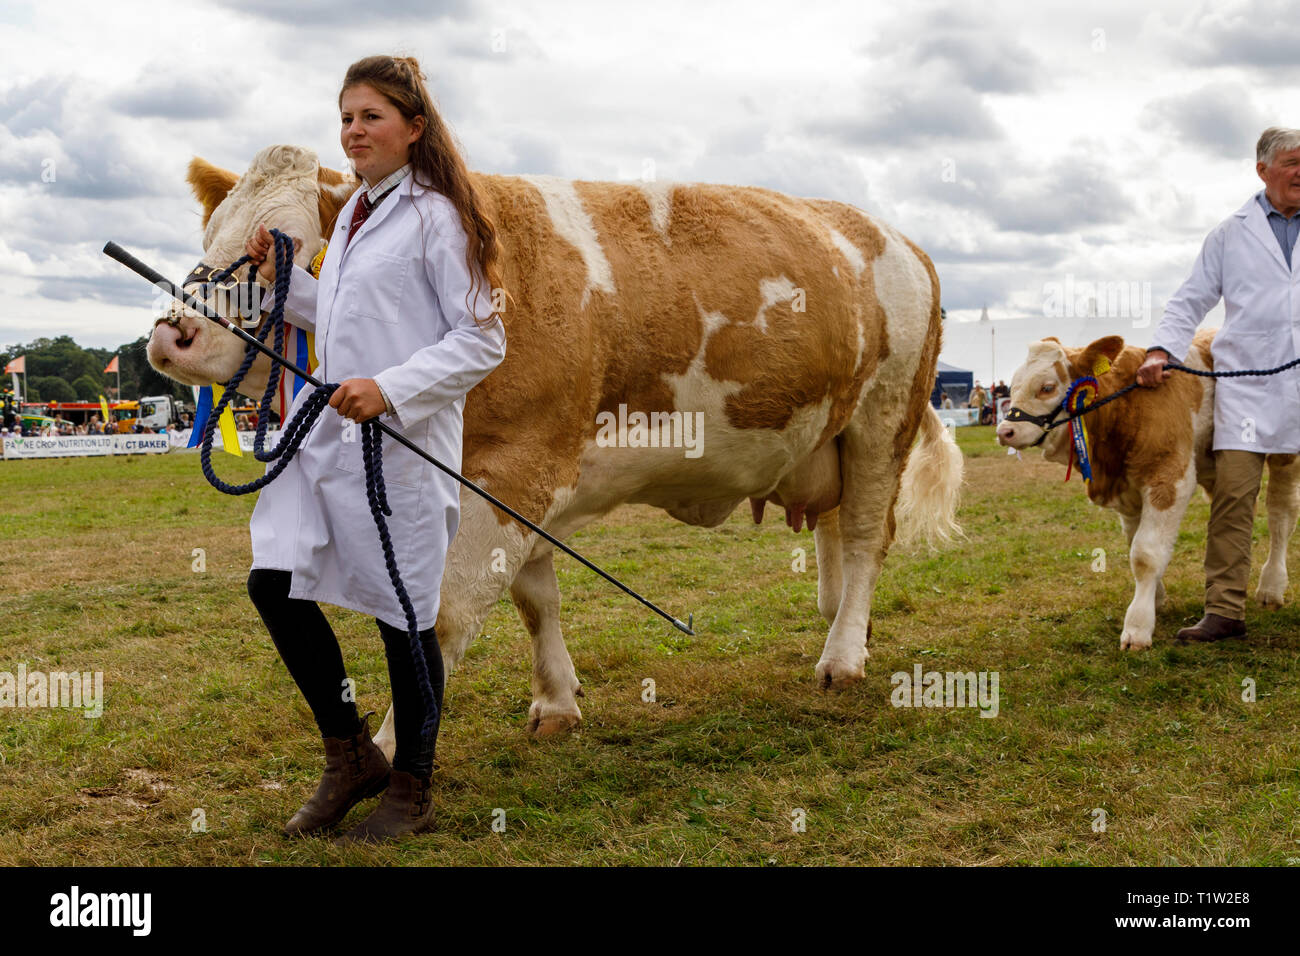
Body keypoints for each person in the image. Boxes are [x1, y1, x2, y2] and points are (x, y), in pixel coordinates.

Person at [241, 54, 508, 843]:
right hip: (327, 439)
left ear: (414, 127)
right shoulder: (357, 211)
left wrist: (390, 387)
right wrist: (282, 282)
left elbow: (484, 338)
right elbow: (350, 316)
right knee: (273, 581)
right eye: (347, 116)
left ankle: (412, 790)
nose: (354, 130)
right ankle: (352, 753)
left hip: (401, 448)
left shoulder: (439, 215)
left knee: (403, 616)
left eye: (372, 116)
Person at [1138, 126, 1300, 643]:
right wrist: (1162, 350)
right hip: (1248, 386)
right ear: (1264, 170)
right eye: (1294, 162)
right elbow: (1190, 299)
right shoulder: (1230, 234)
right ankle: (1225, 611)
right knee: (1233, 500)